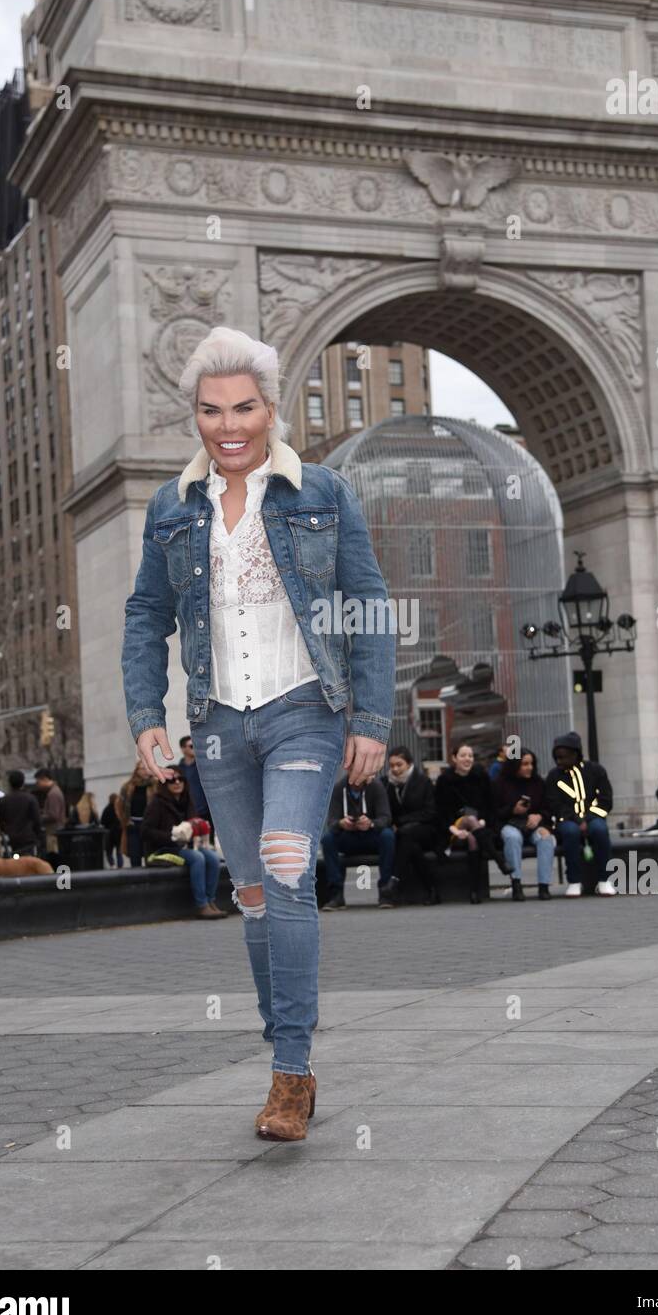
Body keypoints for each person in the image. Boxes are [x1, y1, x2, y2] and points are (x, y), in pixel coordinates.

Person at [122, 325, 395, 1143]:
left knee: (284, 865)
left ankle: (292, 1072)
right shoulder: (170, 508)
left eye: (244, 407)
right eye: (211, 410)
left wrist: (372, 721)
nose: (228, 424)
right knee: (250, 901)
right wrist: (145, 714)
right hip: (216, 723)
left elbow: (368, 602)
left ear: (271, 409)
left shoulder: (323, 491)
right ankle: (281, 1048)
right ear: (195, 416)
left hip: (303, 710)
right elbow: (145, 615)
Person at [141, 769, 224, 917]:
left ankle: (211, 901)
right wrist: (172, 836)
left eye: (181, 779)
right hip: (164, 849)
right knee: (197, 858)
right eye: (172, 780)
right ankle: (202, 905)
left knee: (212, 857)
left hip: (186, 846)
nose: (177, 782)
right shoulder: (157, 803)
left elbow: (193, 825)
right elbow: (145, 832)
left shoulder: (187, 800)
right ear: (164, 784)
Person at [544, 731, 616, 897]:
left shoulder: (596, 771)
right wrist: (576, 819)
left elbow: (605, 800)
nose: (559, 762)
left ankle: (605, 879)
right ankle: (574, 881)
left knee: (599, 830)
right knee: (570, 832)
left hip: (593, 817)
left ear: (575, 754)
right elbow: (554, 803)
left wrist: (588, 817)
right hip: (567, 819)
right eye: (557, 758)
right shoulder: (554, 776)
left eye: (563, 757)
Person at [434, 742, 498, 903]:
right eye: (463, 755)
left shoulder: (481, 777)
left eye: (470, 756)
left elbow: (490, 806)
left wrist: (483, 820)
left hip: (478, 829)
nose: (467, 759)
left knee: (473, 838)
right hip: (452, 830)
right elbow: (440, 812)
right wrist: (454, 830)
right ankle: (499, 860)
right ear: (454, 758)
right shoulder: (444, 780)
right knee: (470, 822)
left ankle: (474, 891)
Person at [322, 773, 394, 910]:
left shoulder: (376, 786)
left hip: (371, 836)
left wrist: (371, 823)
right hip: (348, 837)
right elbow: (331, 822)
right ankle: (336, 894)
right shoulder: (338, 788)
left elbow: (386, 818)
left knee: (388, 836)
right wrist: (341, 823)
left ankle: (385, 892)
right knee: (328, 839)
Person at [493, 750, 555, 901]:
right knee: (512, 837)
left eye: (531, 764)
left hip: (533, 825)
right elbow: (494, 812)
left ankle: (544, 885)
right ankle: (516, 883)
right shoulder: (500, 784)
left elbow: (548, 807)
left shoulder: (538, 782)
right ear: (515, 765)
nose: (530, 768)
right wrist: (512, 810)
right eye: (525, 764)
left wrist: (539, 816)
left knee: (546, 838)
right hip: (510, 823)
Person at [381, 746, 440, 906]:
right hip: (404, 836)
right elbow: (385, 810)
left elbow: (430, 812)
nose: (395, 769)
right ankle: (432, 889)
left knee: (407, 835)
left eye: (399, 764)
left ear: (409, 764)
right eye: (391, 765)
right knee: (412, 847)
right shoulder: (386, 784)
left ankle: (394, 881)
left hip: (425, 830)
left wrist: (400, 822)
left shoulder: (422, 782)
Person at [0, 771, 44, 857]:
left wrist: (4, 832)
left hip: (11, 839)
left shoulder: (3, 800)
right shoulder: (30, 799)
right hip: (28, 839)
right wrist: (38, 835)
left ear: (9, 783)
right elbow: (37, 820)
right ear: (23, 783)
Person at [117, 762, 155, 868]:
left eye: (147, 768)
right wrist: (125, 820)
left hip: (149, 825)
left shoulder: (155, 785)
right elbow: (119, 805)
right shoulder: (128, 786)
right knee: (135, 856)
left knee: (150, 856)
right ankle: (136, 883)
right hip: (133, 825)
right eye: (142, 768)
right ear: (137, 771)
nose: (145, 771)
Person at [177, 735, 211, 823]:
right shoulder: (179, 769)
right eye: (191, 746)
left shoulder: (203, 766)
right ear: (183, 749)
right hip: (187, 813)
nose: (195, 748)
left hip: (207, 811)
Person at [34, 768, 66, 855]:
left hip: (53, 833)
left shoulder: (53, 794)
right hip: (55, 832)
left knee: (53, 857)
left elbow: (53, 815)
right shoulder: (55, 791)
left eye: (38, 781)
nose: (38, 785)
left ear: (45, 779)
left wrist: (39, 817)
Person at [101, 793, 124, 867]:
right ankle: (120, 866)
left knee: (109, 852)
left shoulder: (106, 809)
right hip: (119, 833)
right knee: (119, 852)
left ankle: (112, 864)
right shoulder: (120, 809)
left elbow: (102, 821)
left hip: (109, 833)